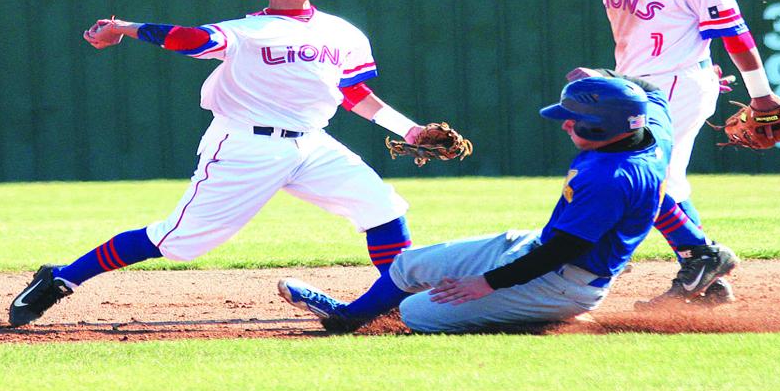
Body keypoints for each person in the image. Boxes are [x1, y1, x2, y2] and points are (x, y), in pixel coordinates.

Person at [9, 0, 453, 327]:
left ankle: (396, 301)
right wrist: (125, 28)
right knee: (178, 239)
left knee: (382, 207)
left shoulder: (343, 32)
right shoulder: (248, 30)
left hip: (313, 143)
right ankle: (62, 278)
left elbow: (352, 92)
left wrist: (408, 130)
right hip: (245, 145)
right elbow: (192, 40)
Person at [276, 71, 670, 334]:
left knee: (417, 313)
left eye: (574, 117)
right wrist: (607, 77)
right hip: (537, 245)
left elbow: (562, 252)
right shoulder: (647, 128)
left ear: (603, 124)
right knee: (407, 265)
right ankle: (345, 319)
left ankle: (549, 317)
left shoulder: (610, 179)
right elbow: (650, 93)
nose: (566, 122)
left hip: (564, 281)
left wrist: (487, 283)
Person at [598, 0, 780, 309]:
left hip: (674, 84)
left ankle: (695, 256)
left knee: (636, 175)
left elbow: (735, 33)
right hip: (644, 82)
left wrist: (762, 95)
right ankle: (710, 281)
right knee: (669, 183)